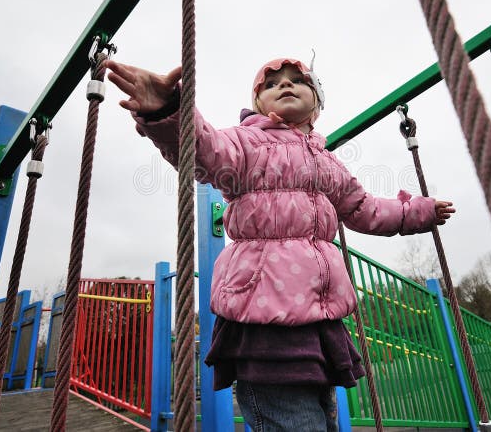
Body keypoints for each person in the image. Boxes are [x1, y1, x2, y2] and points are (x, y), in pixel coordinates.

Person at [106, 57, 455, 431]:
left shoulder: (327, 163)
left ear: (316, 107)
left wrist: (418, 212)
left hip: (317, 319)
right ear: (260, 106)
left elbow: (364, 209)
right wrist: (169, 108)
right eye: (271, 85)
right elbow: (205, 151)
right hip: (263, 314)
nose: (284, 85)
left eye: (296, 81)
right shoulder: (247, 143)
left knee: (323, 418)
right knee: (295, 422)